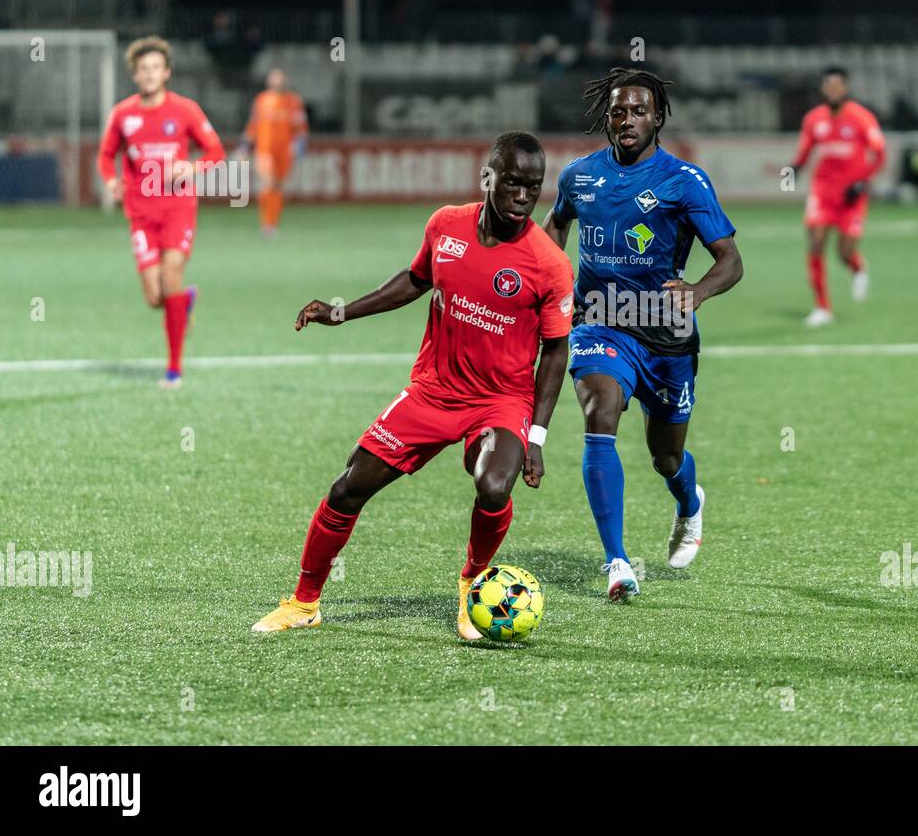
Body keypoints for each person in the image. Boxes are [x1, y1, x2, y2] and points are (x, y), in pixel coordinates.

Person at [251, 133, 574, 639]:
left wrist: (536, 436)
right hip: (433, 391)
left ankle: (472, 584)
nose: (522, 198)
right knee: (347, 487)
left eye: (533, 188)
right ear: (488, 178)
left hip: (500, 401)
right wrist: (342, 312)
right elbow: (414, 280)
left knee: (493, 484)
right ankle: (303, 602)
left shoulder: (548, 263)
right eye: (512, 183)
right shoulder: (446, 225)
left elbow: (556, 351)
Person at [542, 68, 743, 601]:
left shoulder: (685, 181)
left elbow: (731, 261)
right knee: (599, 412)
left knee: (666, 457)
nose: (626, 119)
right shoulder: (579, 176)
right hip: (600, 319)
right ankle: (617, 561)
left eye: (637, 111)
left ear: (657, 117)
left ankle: (688, 502)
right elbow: (556, 228)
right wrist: (548, 278)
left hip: (667, 334)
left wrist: (697, 292)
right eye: (617, 111)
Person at [97, 35, 226, 389]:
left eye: (156, 67)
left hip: (178, 210)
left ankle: (173, 369)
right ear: (135, 75)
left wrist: (192, 168)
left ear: (166, 72)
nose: (150, 74)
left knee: (170, 280)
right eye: (143, 69)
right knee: (156, 297)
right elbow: (106, 156)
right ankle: (185, 302)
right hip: (140, 213)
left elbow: (215, 151)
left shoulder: (185, 110)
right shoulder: (123, 115)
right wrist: (110, 182)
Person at [787, 66, 886, 327]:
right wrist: (795, 168)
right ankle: (822, 307)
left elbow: (880, 154)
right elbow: (805, 150)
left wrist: (863, 182)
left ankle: (857, 266)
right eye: (828, 85)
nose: (832, 90)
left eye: (837, 85)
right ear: (823, 89)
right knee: (816, 241)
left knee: (844, 250)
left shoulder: (861, 118)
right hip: (823, 191)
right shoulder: (813, 119)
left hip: (852, 194)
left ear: (846, 88)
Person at [240, 68, 308, 235]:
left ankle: (272, 223)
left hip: (284, 151)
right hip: (264, 149)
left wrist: (299, 147)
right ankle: (266, 224)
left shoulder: (293, 101)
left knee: (278, 186)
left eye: (279, 78)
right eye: (273, 78)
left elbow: (300, 128)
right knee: (266, 183)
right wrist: (244, 147)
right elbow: (253, 126)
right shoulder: (261, 100)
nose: (276, 81)